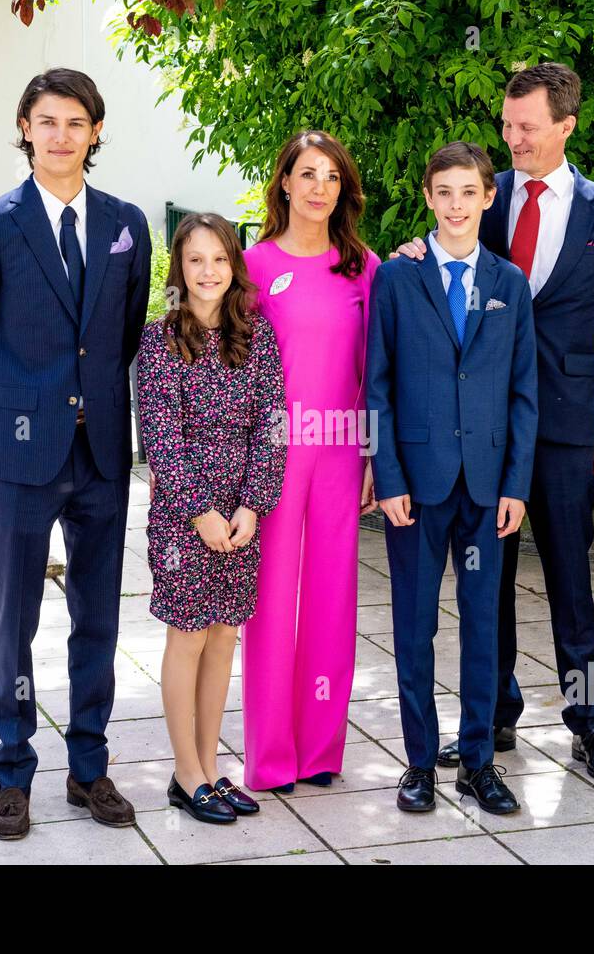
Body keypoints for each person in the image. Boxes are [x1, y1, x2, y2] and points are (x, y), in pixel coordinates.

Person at [395, 63, 594, 784]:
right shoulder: (485, 194)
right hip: (481, 430)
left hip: (566, 428)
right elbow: (448, 254)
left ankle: (588, 725)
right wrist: (413, 249)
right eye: (507, 124)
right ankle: (492, 719)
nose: (513, 136)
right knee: (486, 582)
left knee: (570, 579)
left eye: (526, 126)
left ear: (566, 126)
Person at [0, 68, 151, 840]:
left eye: (76, 121)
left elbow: (123, 335)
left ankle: (89, 767)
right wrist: (10, 413)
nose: (61, 134)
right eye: (46, 120)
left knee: (97, 617)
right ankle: (12, 769)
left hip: (100, 456)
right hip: (23, 456)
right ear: (24, 128)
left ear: (96, 132)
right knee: (15, 620)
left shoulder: (126, 223)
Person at [367, 142, 538, 815]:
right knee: (413, 625)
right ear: (428, 196)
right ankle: (417, 762)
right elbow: (376, 385)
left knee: (481, 626)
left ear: (488, 197)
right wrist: (387, 476)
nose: (457, 204)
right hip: (417, 481)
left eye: (470, 192)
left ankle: (477, 762)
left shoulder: (510, 283)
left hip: (488, 486)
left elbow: (524, 391)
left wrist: (517, 485)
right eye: (445, 192)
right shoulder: (397, 279)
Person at [239, 130, 381, 792]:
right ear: (285, 184)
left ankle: (321, 750)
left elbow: (380, 371)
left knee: (331, 598)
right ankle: (269, 757)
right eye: (307, 173)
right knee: (270, 600)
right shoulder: (254, 265)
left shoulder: (366, 269)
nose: (319, 186)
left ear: (342, 190)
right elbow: (233, 367)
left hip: (342, 450)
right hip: (273, 452)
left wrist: (379, 456)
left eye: (331, 176)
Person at [137, 213, 287, 824]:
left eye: (219, 260)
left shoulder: (256, 334)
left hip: (242, 516)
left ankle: (209, 767)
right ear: (180, 268)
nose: (208, 272)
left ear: (235, 265)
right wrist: (199, 511)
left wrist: (253, 505)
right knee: (189, 635)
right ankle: (183, 770)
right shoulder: (160, 339)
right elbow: (161, 437)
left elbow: (273, 425)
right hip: (184, 518)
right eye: (195, 260)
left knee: (225, 636)